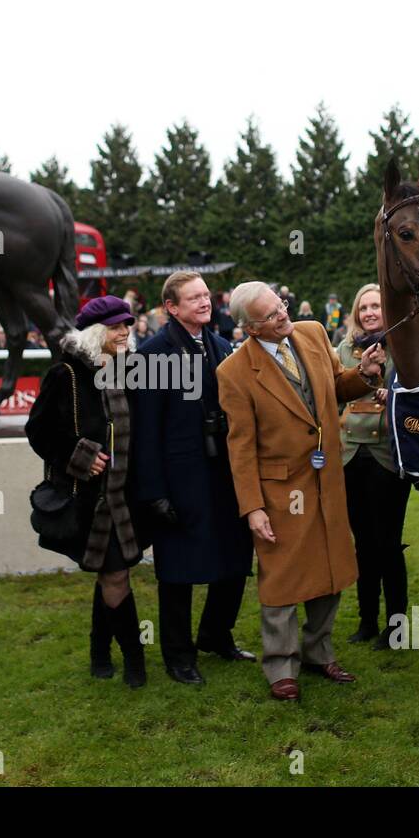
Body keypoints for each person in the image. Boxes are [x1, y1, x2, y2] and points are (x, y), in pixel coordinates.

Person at [216, 281, 386, 702]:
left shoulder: (310, 333)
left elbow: (335, 387)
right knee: (281, 579)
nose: (283, 316)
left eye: (282, 305)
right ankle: (280, 665)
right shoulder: (234, 373)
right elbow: (239, 446)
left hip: (326, 478)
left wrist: (363, 374)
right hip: (279, 491)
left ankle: (317, 651)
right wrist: (253, 508)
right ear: (251, 329)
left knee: (331, 569)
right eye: (273, 315)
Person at [132, 272, 255, 686]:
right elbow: (145, 432)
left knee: (235, 562)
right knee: (178, 572)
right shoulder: (152, 355)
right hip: (178, 484)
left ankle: (215, 635)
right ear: (171, 307)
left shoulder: (223, 347)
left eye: (206, 295)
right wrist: (153, 493)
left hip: (225, 476)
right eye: (194, 298)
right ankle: (178, 656)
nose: (205, 302)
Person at [25, 295, 152, 688]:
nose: (124, 332)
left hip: (126, 496)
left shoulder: (132, 369)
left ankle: (99, 649)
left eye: (127, 326)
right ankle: (135, 660)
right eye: (116, 327)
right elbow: (38, 431)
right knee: (115, 574)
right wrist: (78, 454)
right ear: (97, 332)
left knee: (111, 572)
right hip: (90, 499)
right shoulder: (65, 374)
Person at [337, 283, 412, 648]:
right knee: (362, 544)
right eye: (363, 307)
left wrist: (393, 395)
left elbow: (418, 392)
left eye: (376, 306)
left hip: (386, 456)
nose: (369, 312)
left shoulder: (404, 345)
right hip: (350, 456)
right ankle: (367, 621)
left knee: (388, 544)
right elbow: (331, 393)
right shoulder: (342, 349)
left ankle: (396, 628)